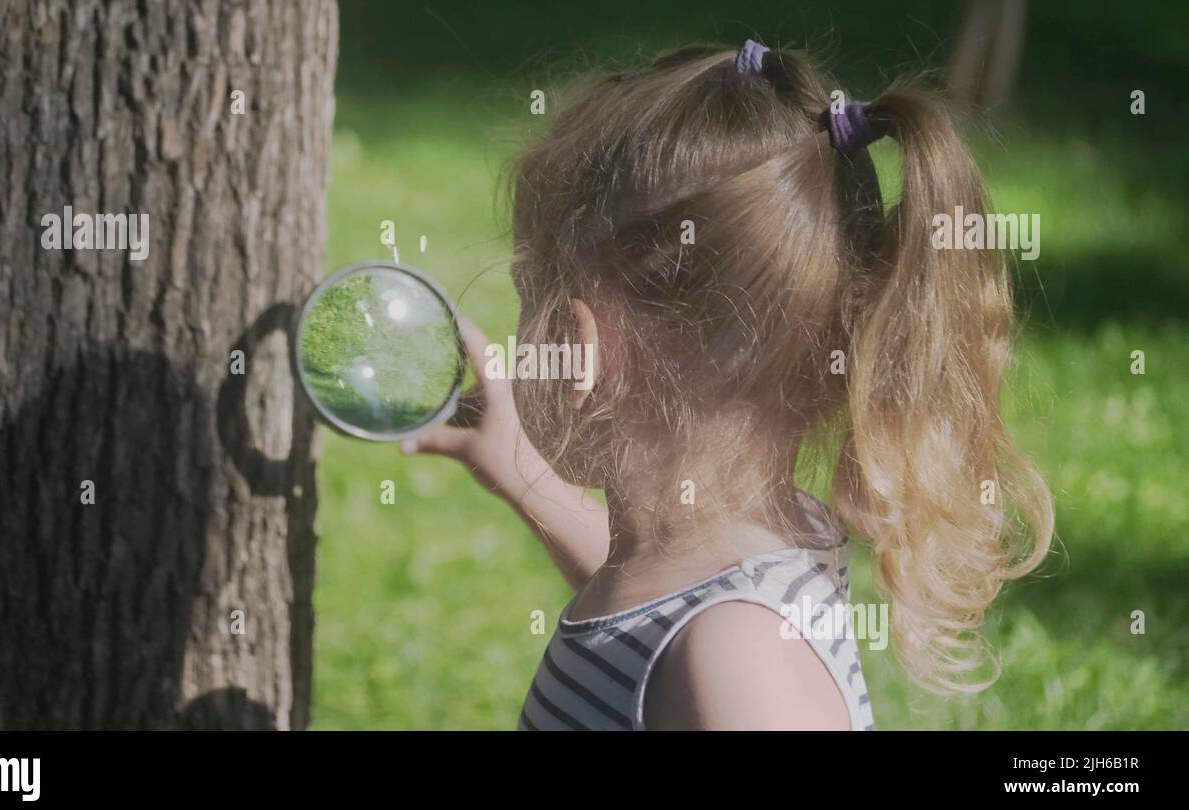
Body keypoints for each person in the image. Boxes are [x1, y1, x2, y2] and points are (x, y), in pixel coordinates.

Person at [402, 39, 1053, 730]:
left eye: (526, 294)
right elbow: (644, 614)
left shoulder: (734, 658)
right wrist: (518, 468)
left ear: (574, 343)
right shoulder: (743, 555)